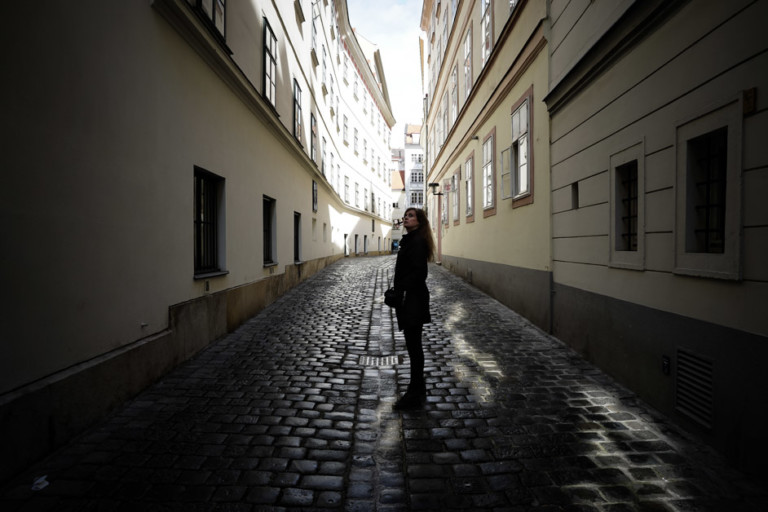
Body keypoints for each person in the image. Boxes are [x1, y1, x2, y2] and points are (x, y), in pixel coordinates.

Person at [392, 207, 435, 410]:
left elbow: (419, 274)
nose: (406, 218)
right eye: (405, 215)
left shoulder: (416, 241)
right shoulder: (412, 239)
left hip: (413, 300)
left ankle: (414, 394)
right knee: (413, 346)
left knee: (414, 347)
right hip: (411, 299)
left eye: (410, 216)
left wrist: (401, 290)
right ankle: (418, 387)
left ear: (419, 221)